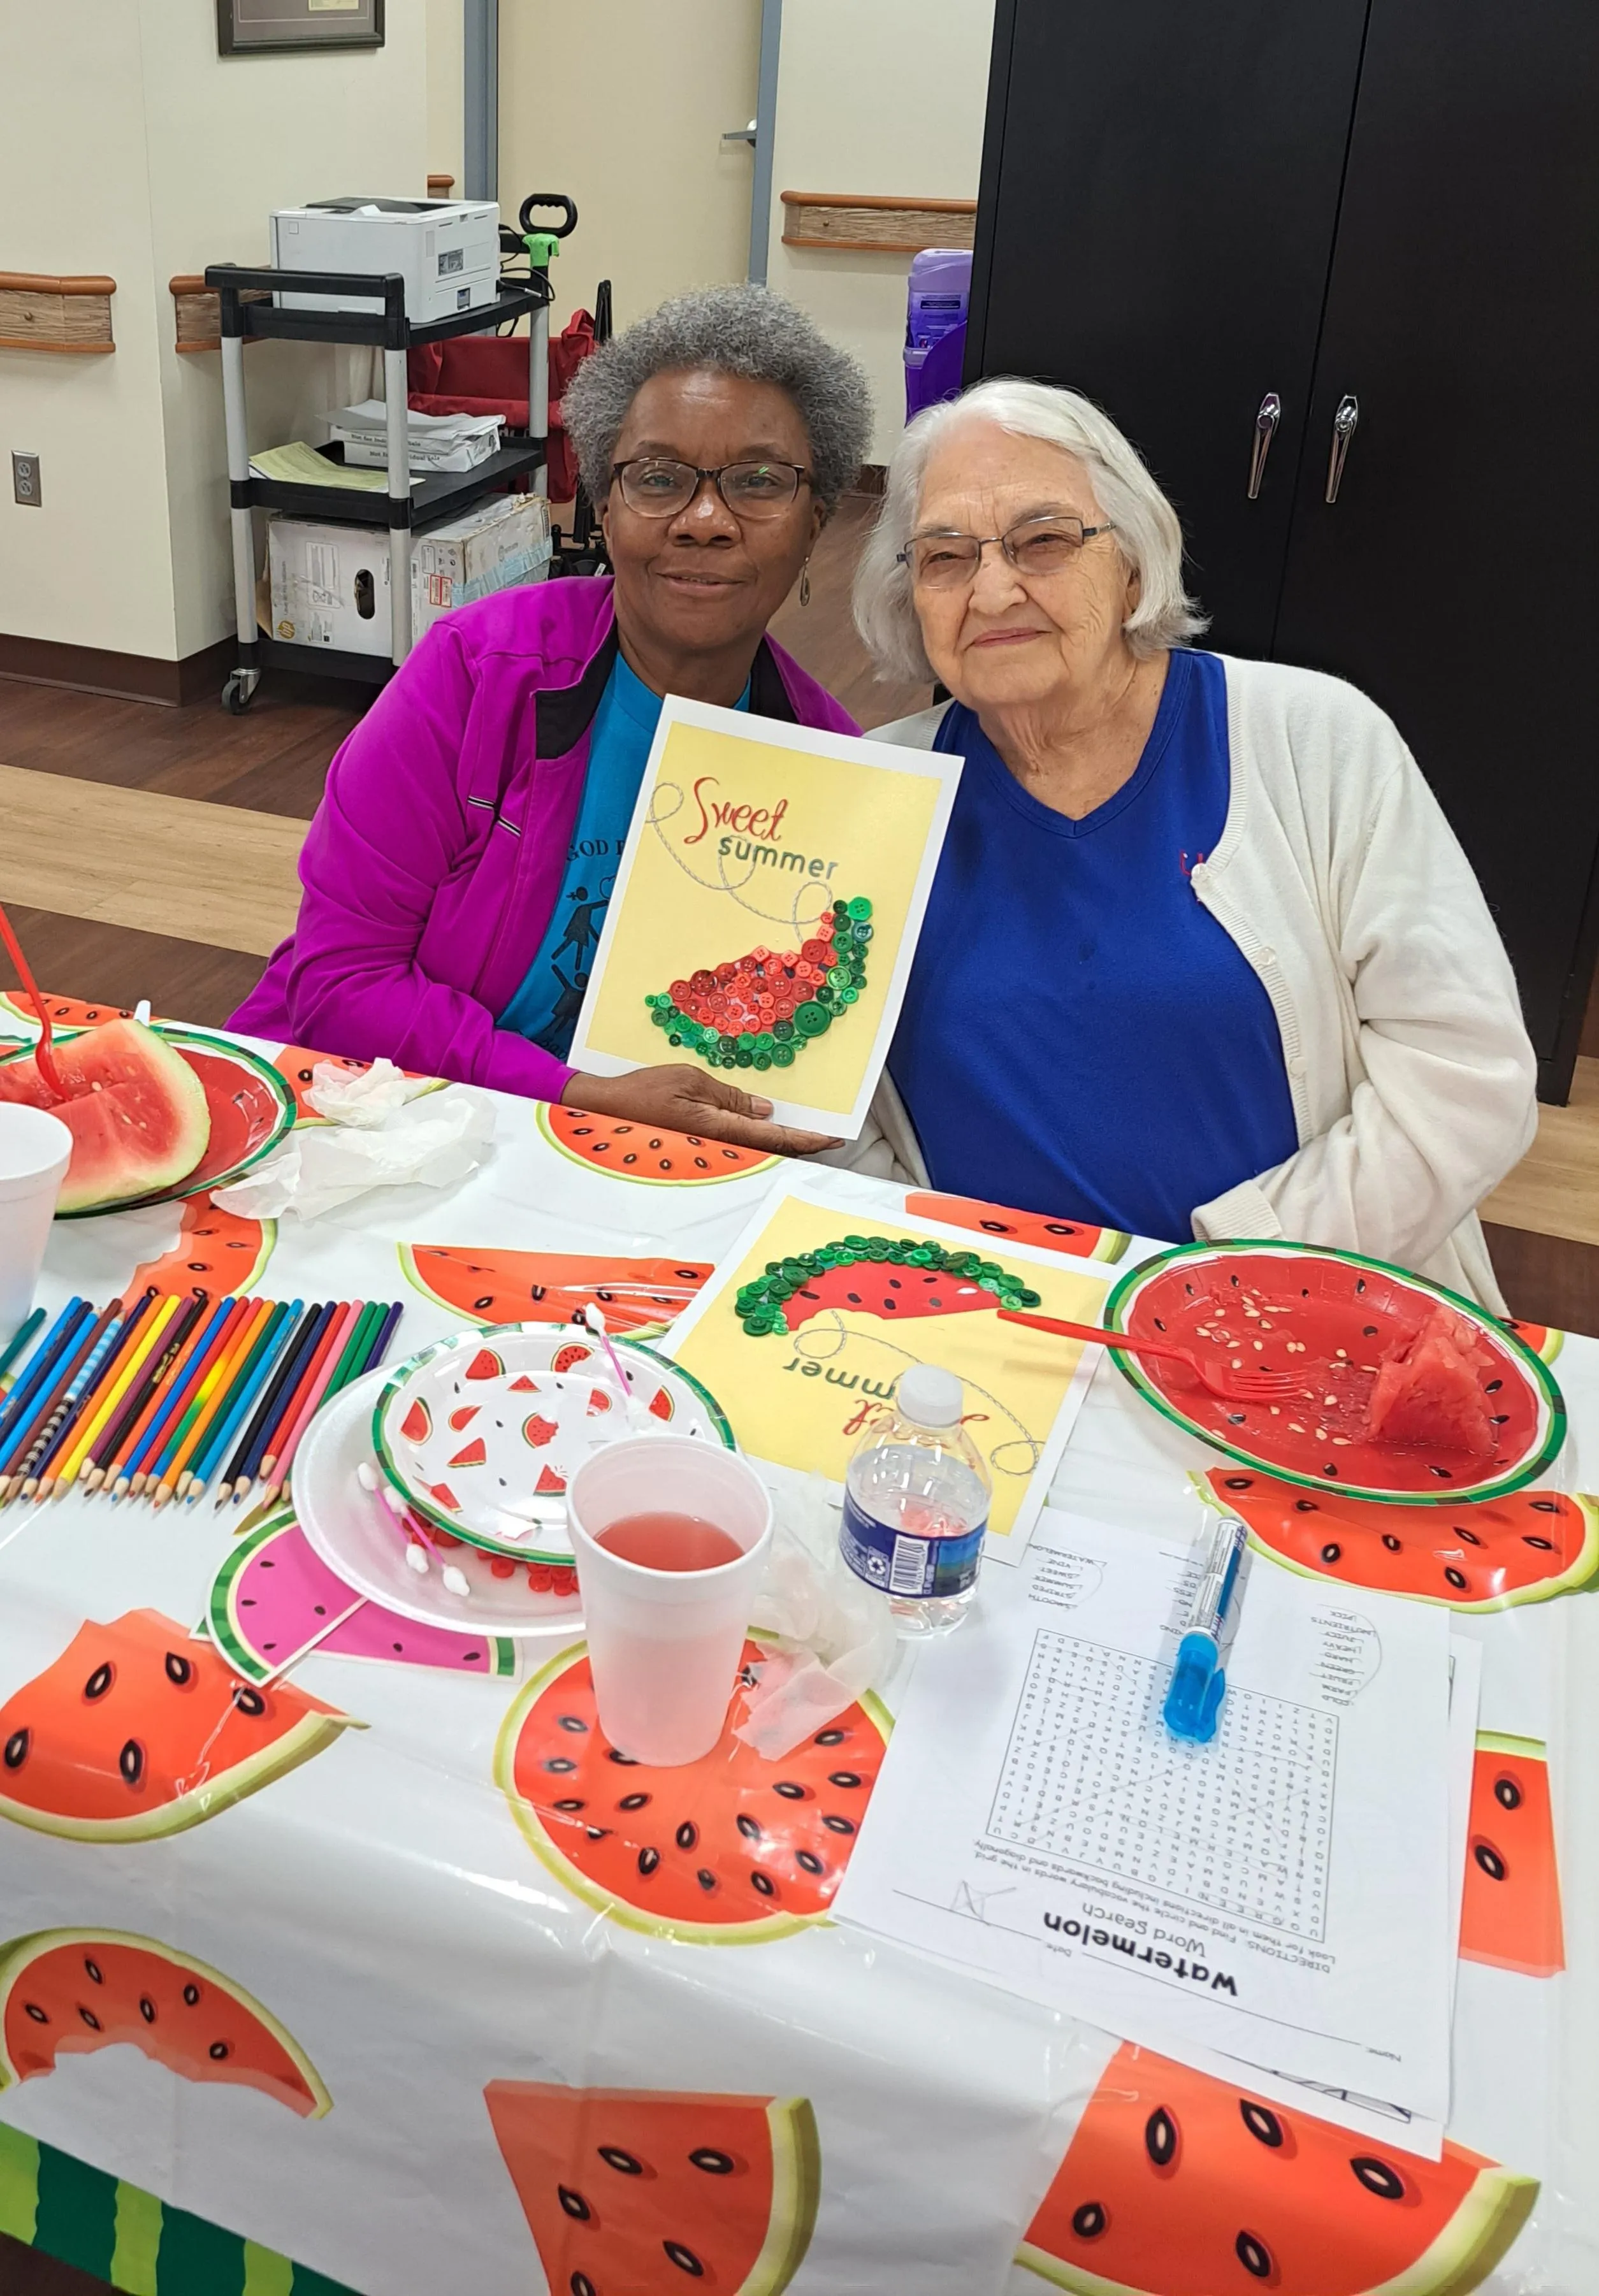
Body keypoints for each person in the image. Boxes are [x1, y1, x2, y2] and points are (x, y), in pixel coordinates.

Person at [849, 377, 1536, 1305]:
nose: (992, 588)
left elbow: (1467, 1077)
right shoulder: (875, 787)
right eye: (945, 556)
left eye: (1043, 540)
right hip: (978, 1319)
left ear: (1132, 562)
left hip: (1296, 1309)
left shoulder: (1316, 740)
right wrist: (949, 1268)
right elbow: (832, 1095)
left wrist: (1227, 1269)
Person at [232, 285, 872, 1158]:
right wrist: (575, 1097)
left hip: (638, 1160)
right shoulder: (472, 677)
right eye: (658, 478)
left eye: (760, 483)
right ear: (604, 509)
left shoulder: (835, 768)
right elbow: (341, 982)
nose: (705, 520)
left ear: (816, 525)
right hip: (370, 1114)